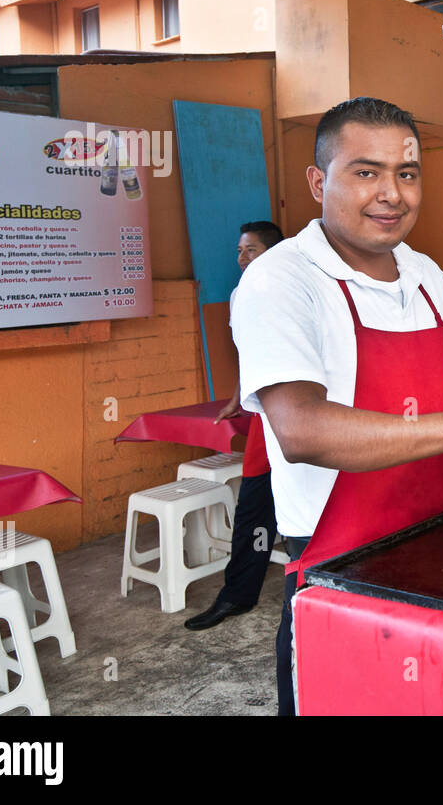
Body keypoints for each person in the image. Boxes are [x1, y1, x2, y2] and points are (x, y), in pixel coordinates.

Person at [231, 97, 443, 715]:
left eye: (406, 174)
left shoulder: (423, 272)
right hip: (339, 554)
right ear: (318, 181)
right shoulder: (282, 280)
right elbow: (301, 428)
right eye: (366, 172)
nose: (391, 193)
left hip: (438, 533)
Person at [184, 221, 285, 631]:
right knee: (254, 510)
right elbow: (251, 354)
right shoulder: (240, 295)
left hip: (309, 413)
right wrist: (237, 397)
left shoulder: (297, 290)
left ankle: (329, 592)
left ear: (274, 253)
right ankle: (237, 596)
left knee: (323, 506)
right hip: (267, 419)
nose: (242, 259)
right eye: (240, 251)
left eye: (251, 250)